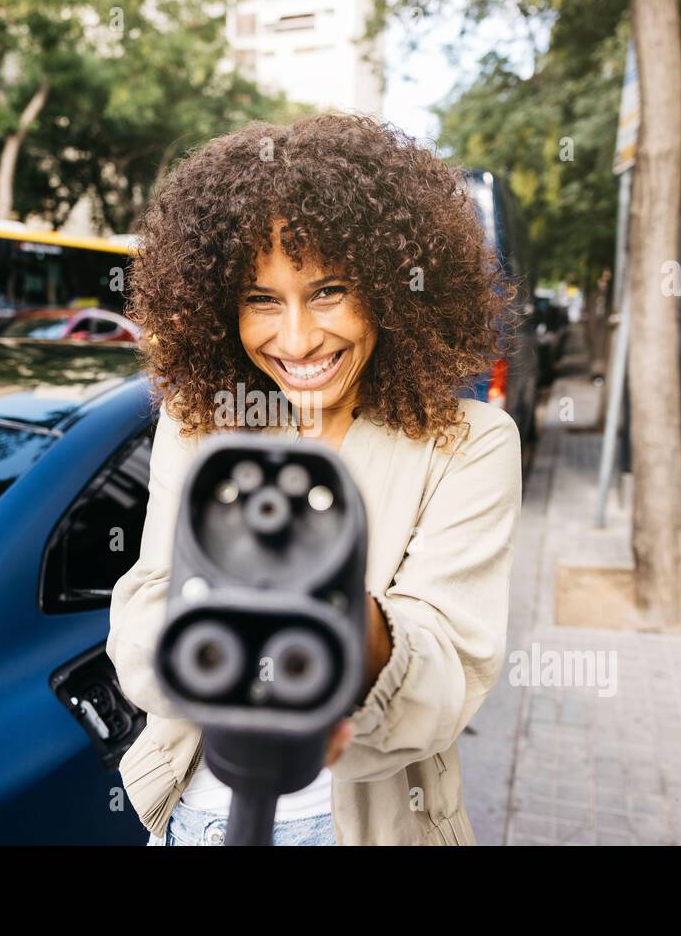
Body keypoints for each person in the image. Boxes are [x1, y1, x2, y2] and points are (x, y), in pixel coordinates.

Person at [106, 112, 522, 846]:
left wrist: (329, 614)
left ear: (395, 291)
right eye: (262, 299)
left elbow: (445, 681)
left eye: (328, 291)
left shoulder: (471, 444)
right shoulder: (200, 421)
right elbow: (141, 616)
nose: (297, 339)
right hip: (195, 814)